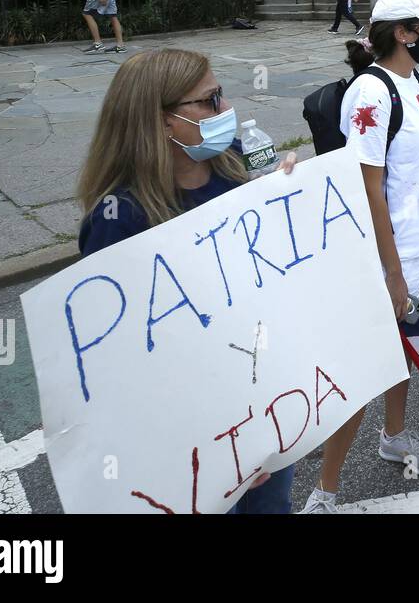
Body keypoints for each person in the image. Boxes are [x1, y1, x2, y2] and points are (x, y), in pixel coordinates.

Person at [76, 48, 299, 513]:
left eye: (219, 94)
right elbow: (120, 358)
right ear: (161, 122)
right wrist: (223, 451)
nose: (225, 110)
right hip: (194, 434)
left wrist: (287, 195)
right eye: (208, 100)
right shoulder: (120, 218)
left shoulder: (235, 166)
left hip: (263, 398)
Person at [303, 0, 419, 513]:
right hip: (384, 259)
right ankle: (324, 492)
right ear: (403, 32)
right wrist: (392, 274)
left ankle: (393, 436)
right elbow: (367, 189)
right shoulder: (371, 94)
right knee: (360, 373)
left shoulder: (412, 78)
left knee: (401, 356)